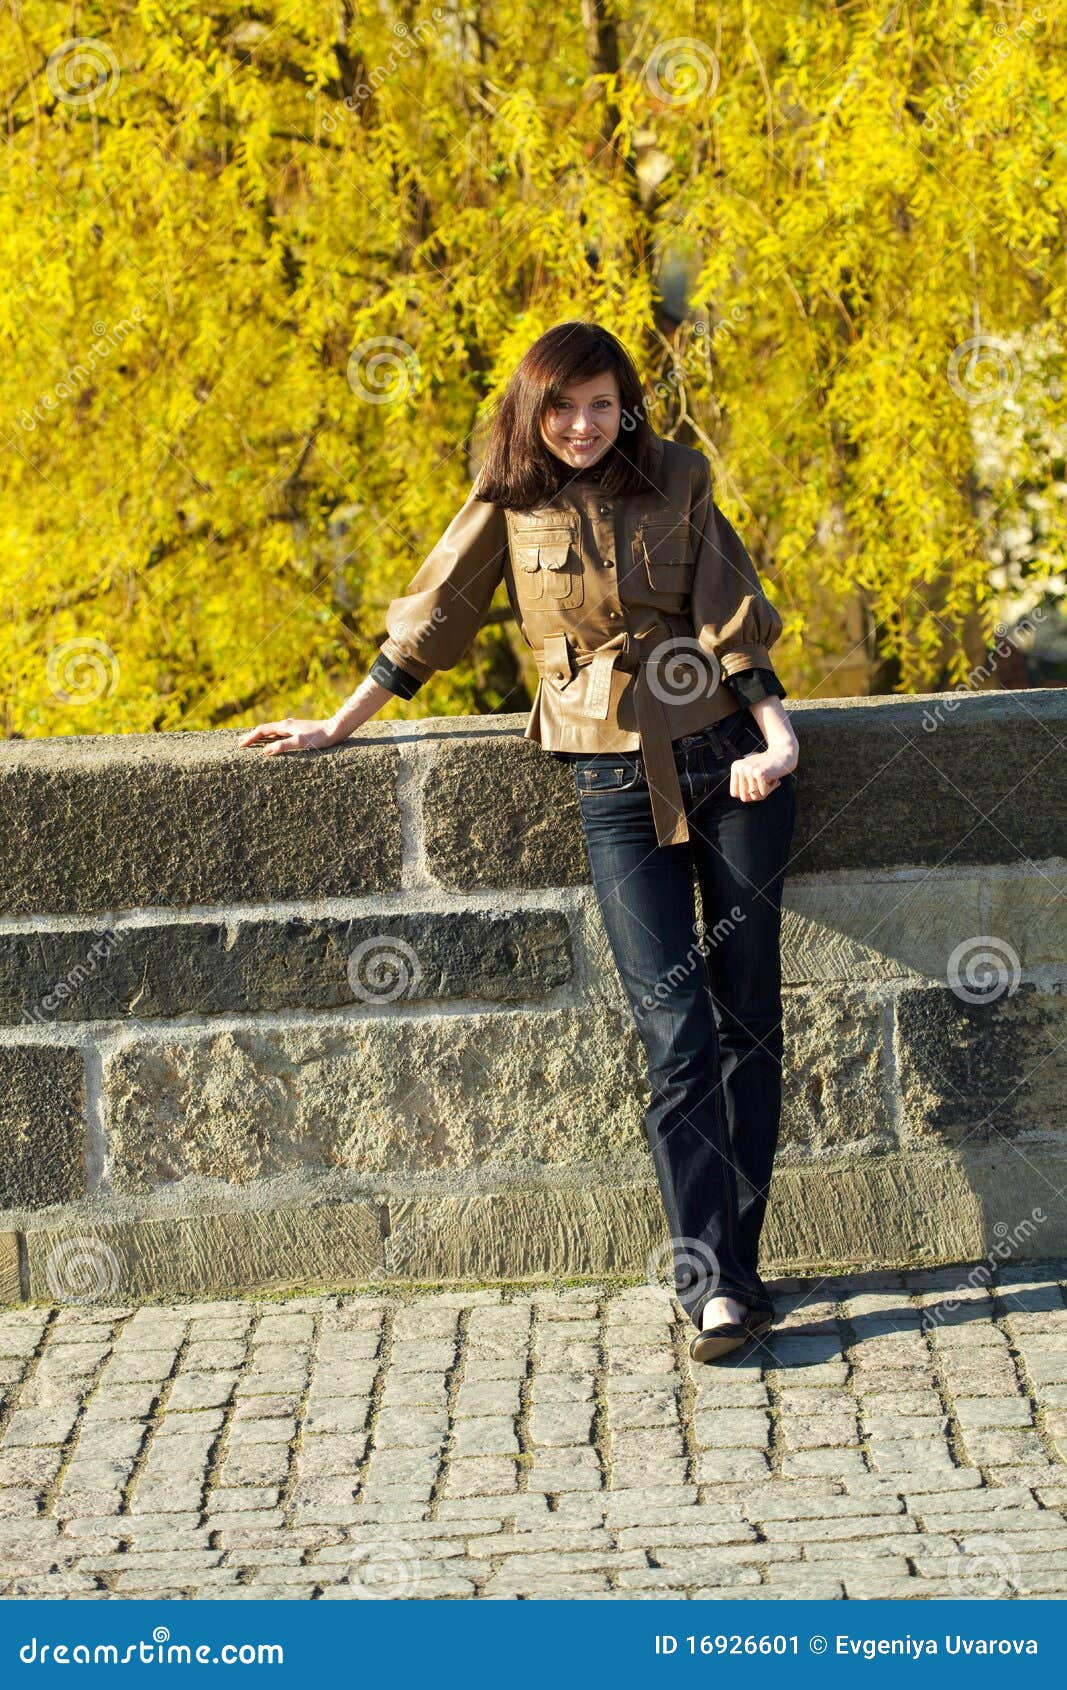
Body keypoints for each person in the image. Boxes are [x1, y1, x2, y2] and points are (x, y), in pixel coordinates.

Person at [241, 320, 800, 1364]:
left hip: (725, 763)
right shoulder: (508, 496)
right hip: (609, 776)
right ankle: (711, 1282)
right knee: (673, 1025)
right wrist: (337, 722)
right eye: (561, 407)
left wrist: (774, 734)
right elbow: (433, 615)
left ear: (623, 405)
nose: (581, 425)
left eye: (599, 404)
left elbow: (729, 616)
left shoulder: (677, 475)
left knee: (748, 1023)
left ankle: (735, 1274)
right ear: (531, 412)